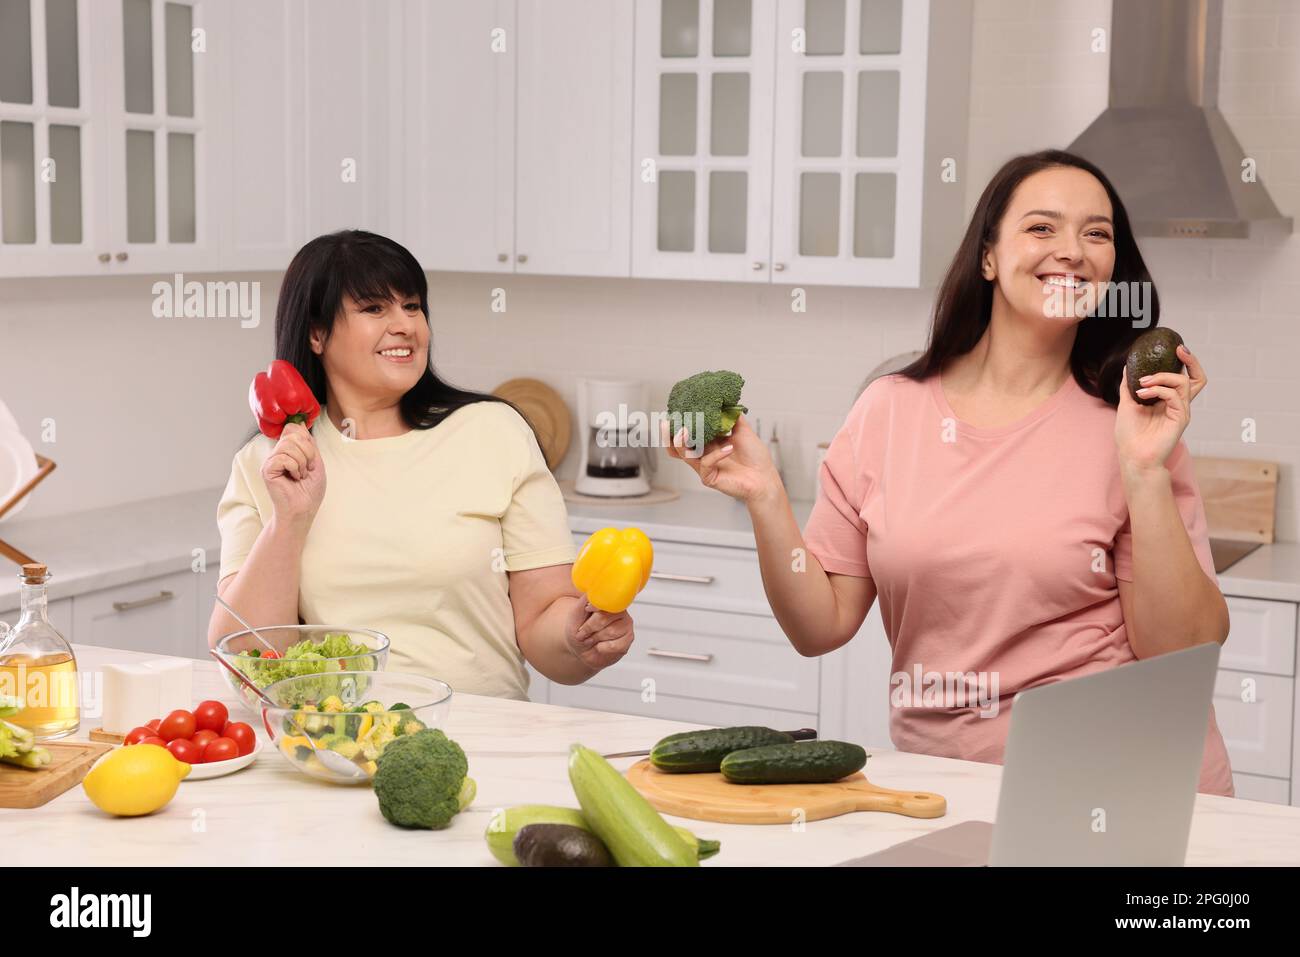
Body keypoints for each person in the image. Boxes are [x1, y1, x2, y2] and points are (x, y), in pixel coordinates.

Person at [666, 149, 1233, 795]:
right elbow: (818, 626)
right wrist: (765, 496)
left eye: (1096, 233)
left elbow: (1183, 653)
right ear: (988, 256)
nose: (1072, 250)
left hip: (1120, 784)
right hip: (945, 782)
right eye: (1042, 227)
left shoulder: (1134, 423)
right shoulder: (887, 410)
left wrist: (1143, 470)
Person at [208, 230, 633, 699]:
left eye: (412, 306)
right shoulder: (267, 466)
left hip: (484, 737)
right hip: (335, 743)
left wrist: (578, 637)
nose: (406, 325)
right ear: (316, 333)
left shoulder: (493, 433)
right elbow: (247, 660)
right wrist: (290, 520)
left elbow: (542, 628)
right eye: (374, 309)